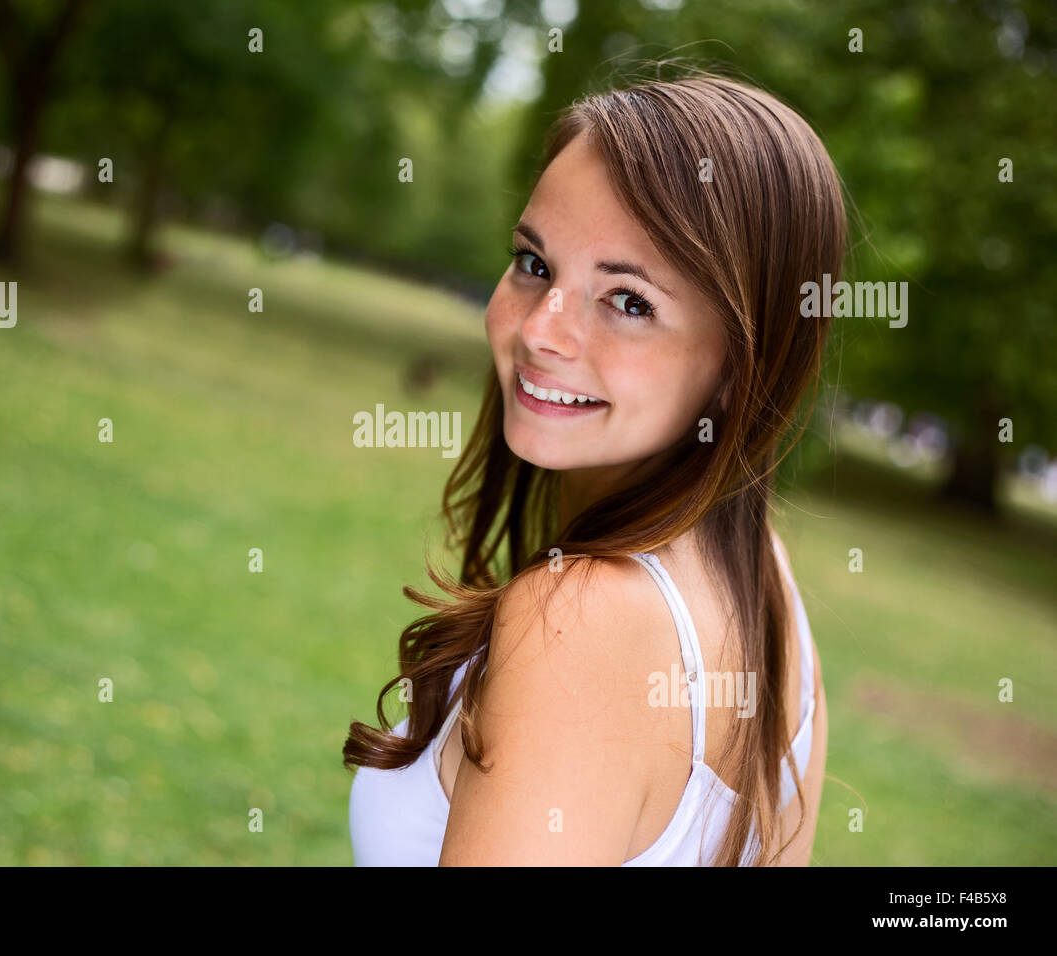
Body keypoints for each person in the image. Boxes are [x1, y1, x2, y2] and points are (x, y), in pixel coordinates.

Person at [345, 68, 840, 866]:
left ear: (739, 367)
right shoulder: (762, 580)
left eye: (630, 301)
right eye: (535, 264)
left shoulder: (579, 621)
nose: (542, 330)